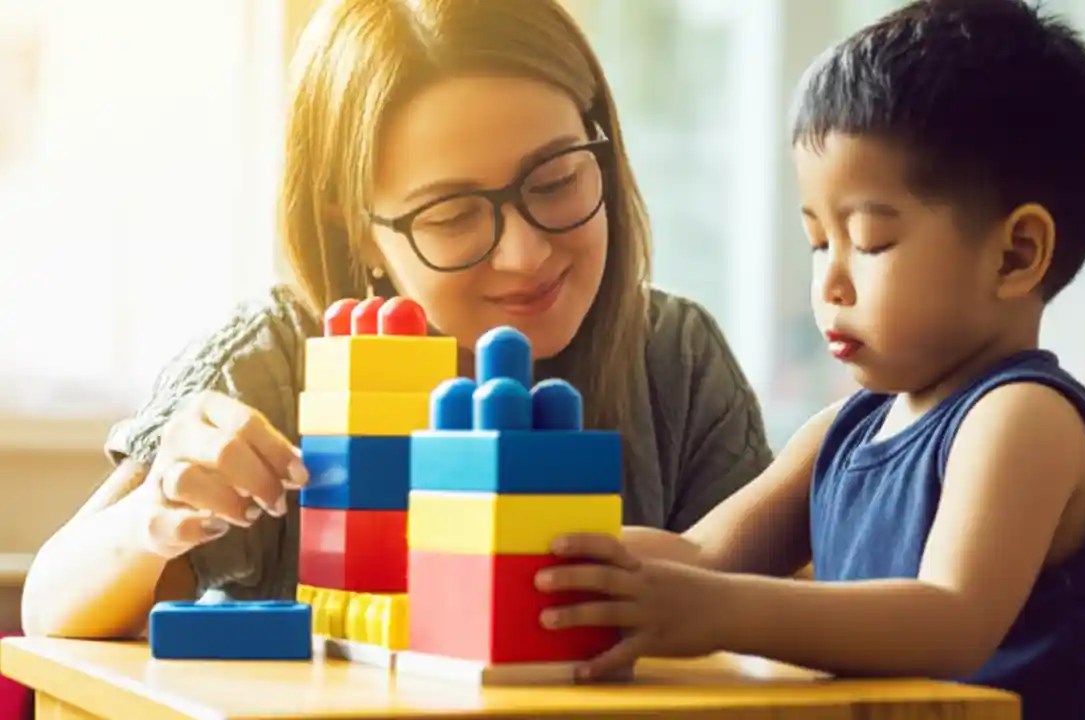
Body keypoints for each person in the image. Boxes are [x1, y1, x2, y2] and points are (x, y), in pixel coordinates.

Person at [535, 1, 1085, 718]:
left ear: (1016, 255)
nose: (828, 281)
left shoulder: (1023, 419)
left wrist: (718, 612)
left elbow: (948, 621)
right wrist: (540, 561)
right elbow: (702, 558)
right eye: (818, 241)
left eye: (871, 241)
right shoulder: (845, 429)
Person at [20, 0, 771, 640]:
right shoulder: (272, 363)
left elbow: (784, 607)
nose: (526, 251)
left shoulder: (674, 356)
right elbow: (51, 603)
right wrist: (156, 513)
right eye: (451, 215)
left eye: (556, 179)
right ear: (356, 231)